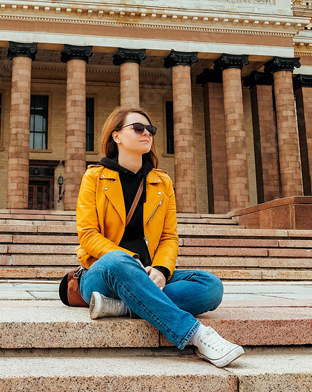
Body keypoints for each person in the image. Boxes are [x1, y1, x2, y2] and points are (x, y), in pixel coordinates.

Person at [75, 106, 244, 368]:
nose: (147, 134)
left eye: (150, 130)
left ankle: (123, 306)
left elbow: (168, 237)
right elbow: (88, 235)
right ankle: (198, 335)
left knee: (211, 286)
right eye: (138, 128)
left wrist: (163, 271)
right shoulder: (95, 177)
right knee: (118, 260)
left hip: (151, 270)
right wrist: (132, 262)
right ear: (116, 136)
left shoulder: (161, 182)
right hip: (102, 272)